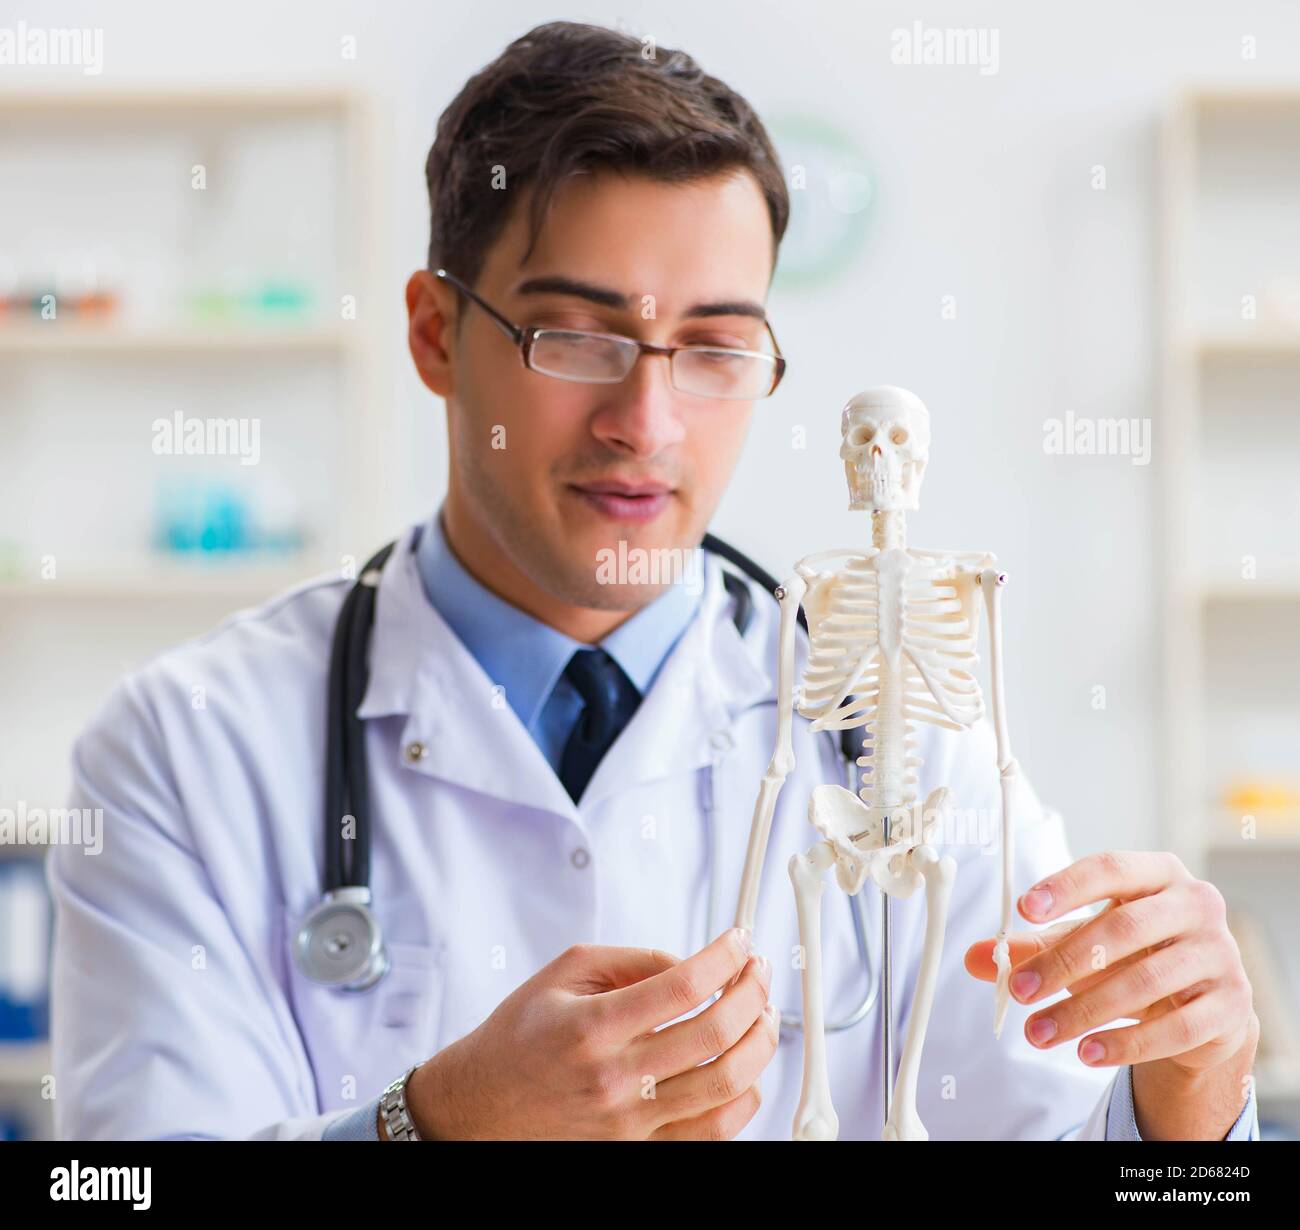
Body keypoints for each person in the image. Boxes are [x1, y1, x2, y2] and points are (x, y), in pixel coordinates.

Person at [48, 20, 1259, 1142]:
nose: (647, 420)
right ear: (434, 335)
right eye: (575, 338)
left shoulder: (890, 733)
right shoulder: (186, 747)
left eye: (715, 350)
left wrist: (1193, 1098)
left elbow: (1069, 1139)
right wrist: (430, 1126)